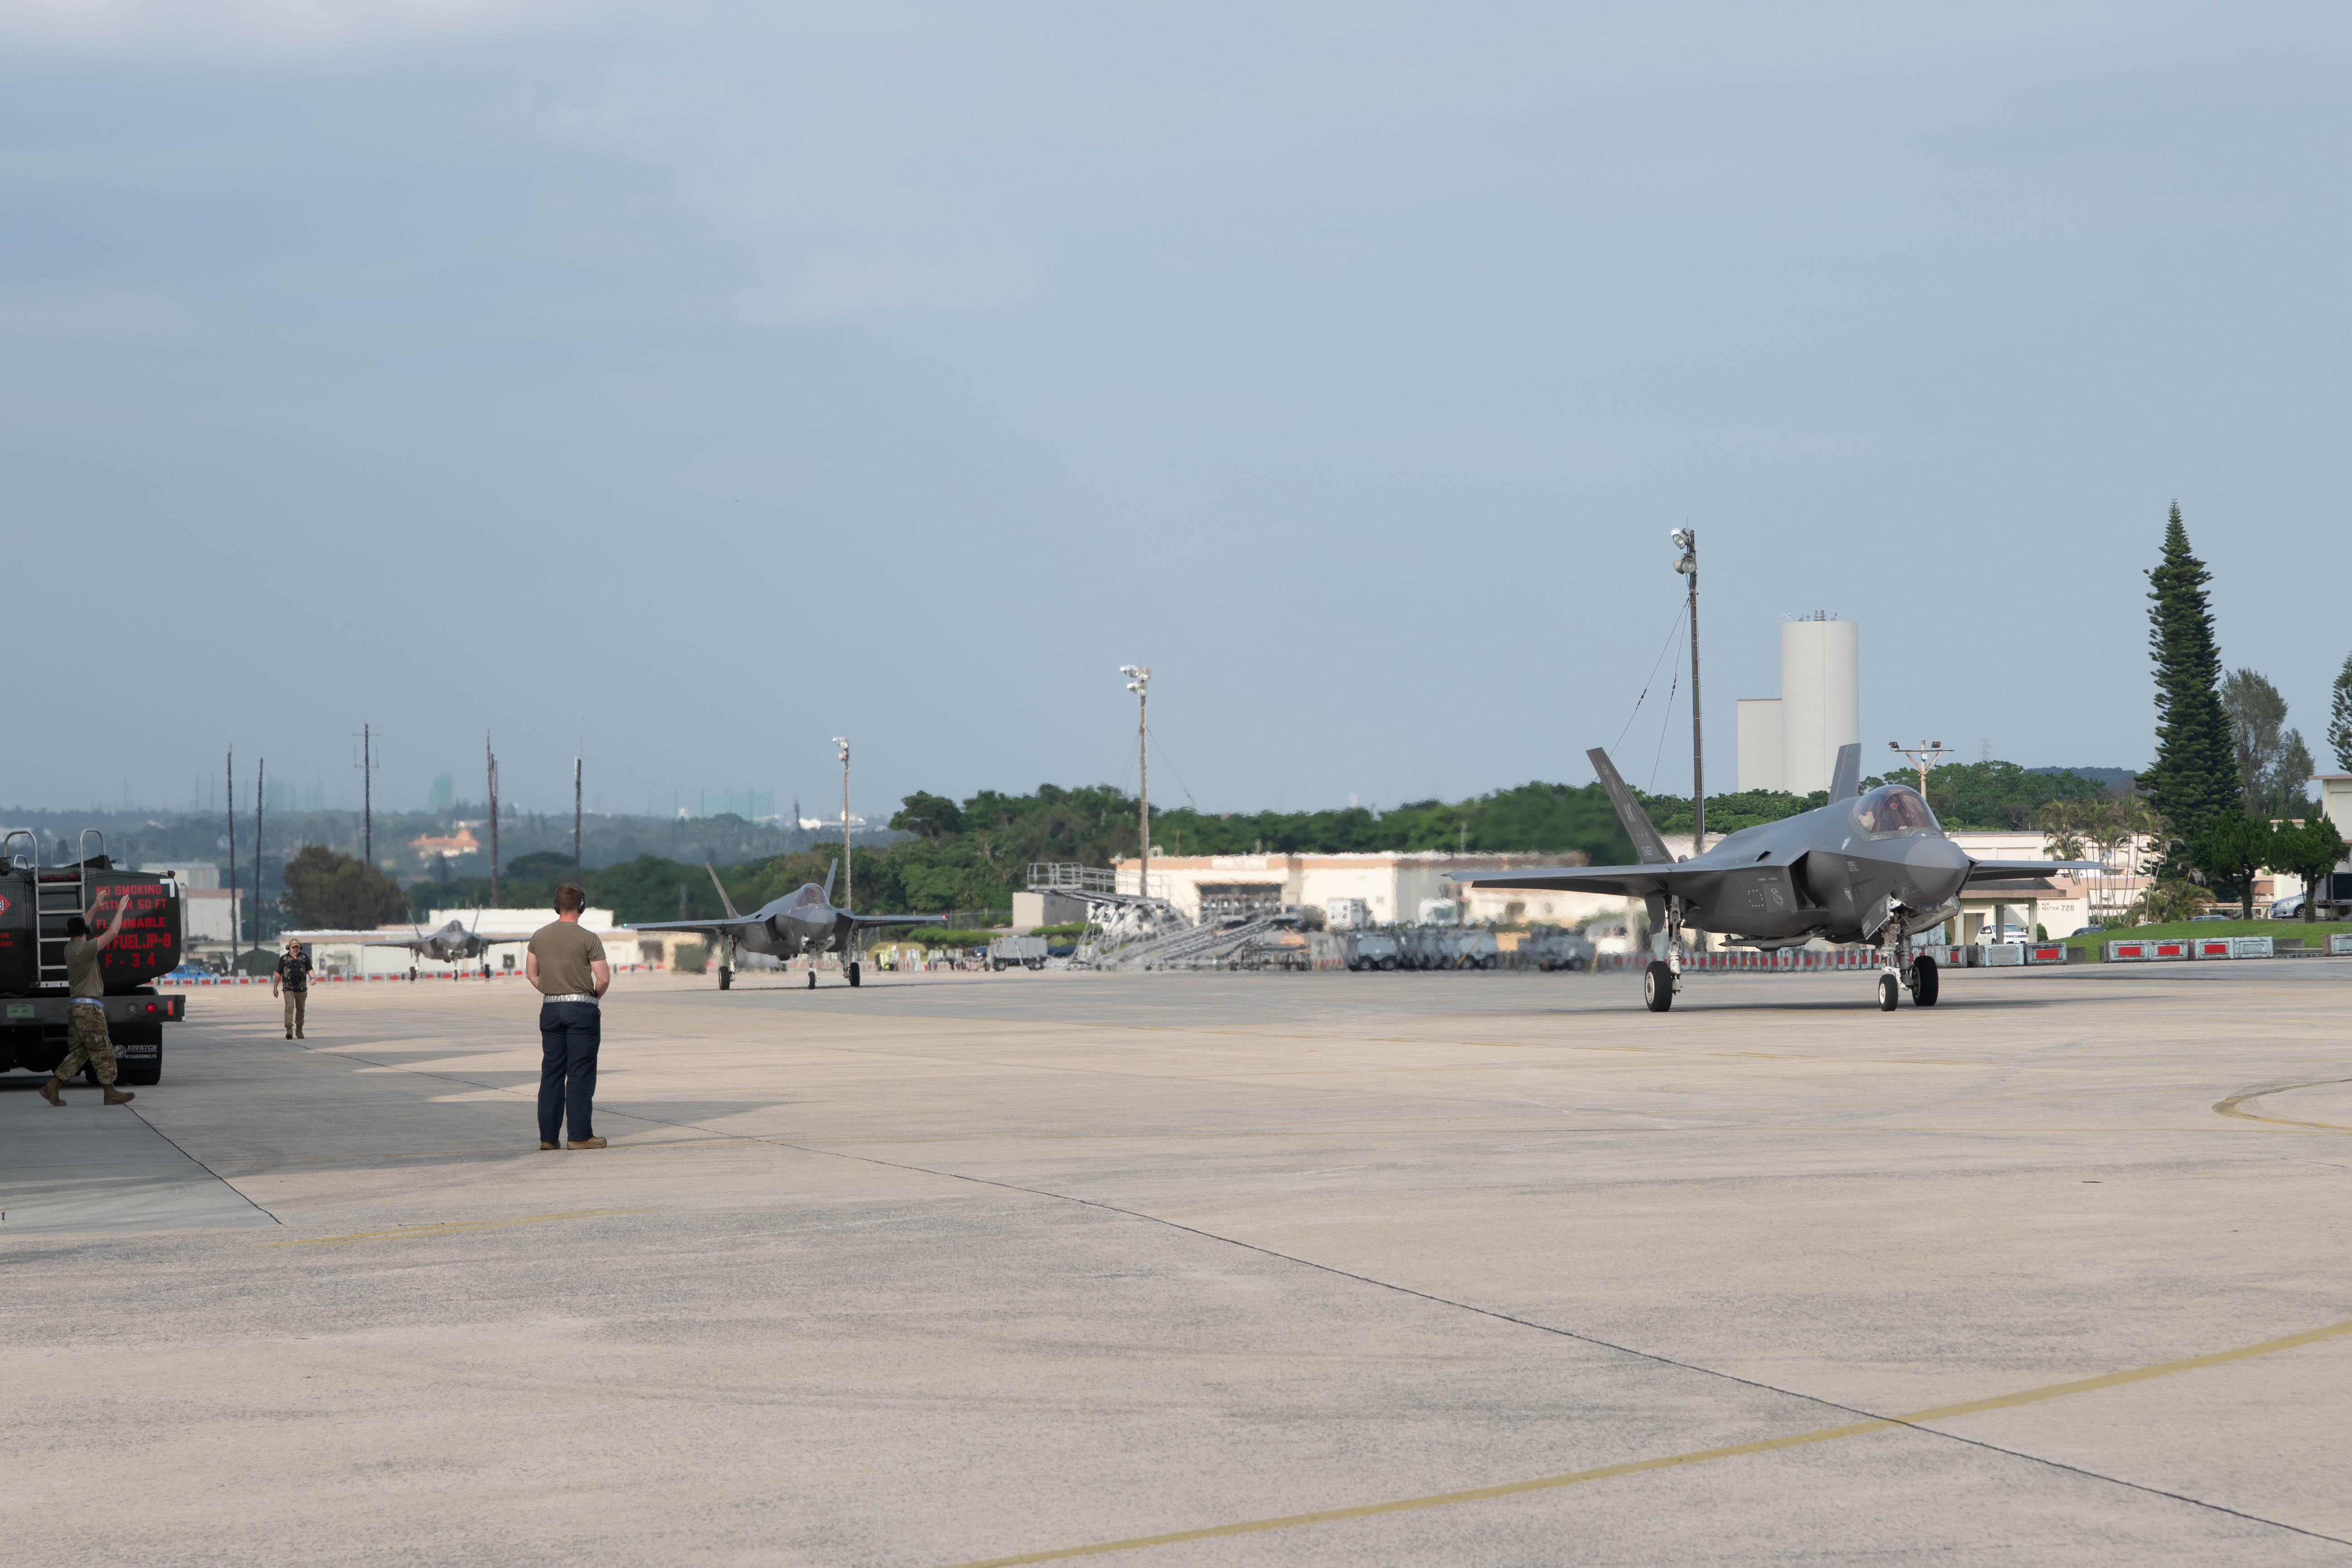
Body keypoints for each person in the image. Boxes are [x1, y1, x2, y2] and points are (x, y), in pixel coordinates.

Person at [526, 883, 611, 1151]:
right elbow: (604, 978)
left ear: (557, 905)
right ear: (581, 905)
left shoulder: (539, 936)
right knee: (580, 1073)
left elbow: (531, 973)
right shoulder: (589, 938)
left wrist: (553, 991)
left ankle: (548, 1138)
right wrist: (592, 997)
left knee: (551, 1072)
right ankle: (579, 1136)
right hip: (581, 1010)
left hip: (550, 1009)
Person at [40, 894, 136, 1107]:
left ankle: (52, 1087)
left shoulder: (70, 949)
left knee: (81, 1052)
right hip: (89, 1010)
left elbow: (82, 926)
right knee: (103, 1049)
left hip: (76, 1008)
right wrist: (120, 909)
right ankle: (110, 1093)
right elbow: (113, 933)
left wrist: (94, 908)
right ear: (84, 934)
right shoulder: (85, 950)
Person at [273, 937, 313, 1039]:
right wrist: (275, 988)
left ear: (300, 948)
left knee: (301, 1010)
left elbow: (310, 969)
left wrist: (313, 978)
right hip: (288, 989)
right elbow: (278, 974)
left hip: (302, 989)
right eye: (293, 947)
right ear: (289, 948)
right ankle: (289, 1030)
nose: (295, 949)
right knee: (289, 1008)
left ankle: (299, 1030)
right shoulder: (284, 959)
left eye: (297, 947)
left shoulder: (304, 958)